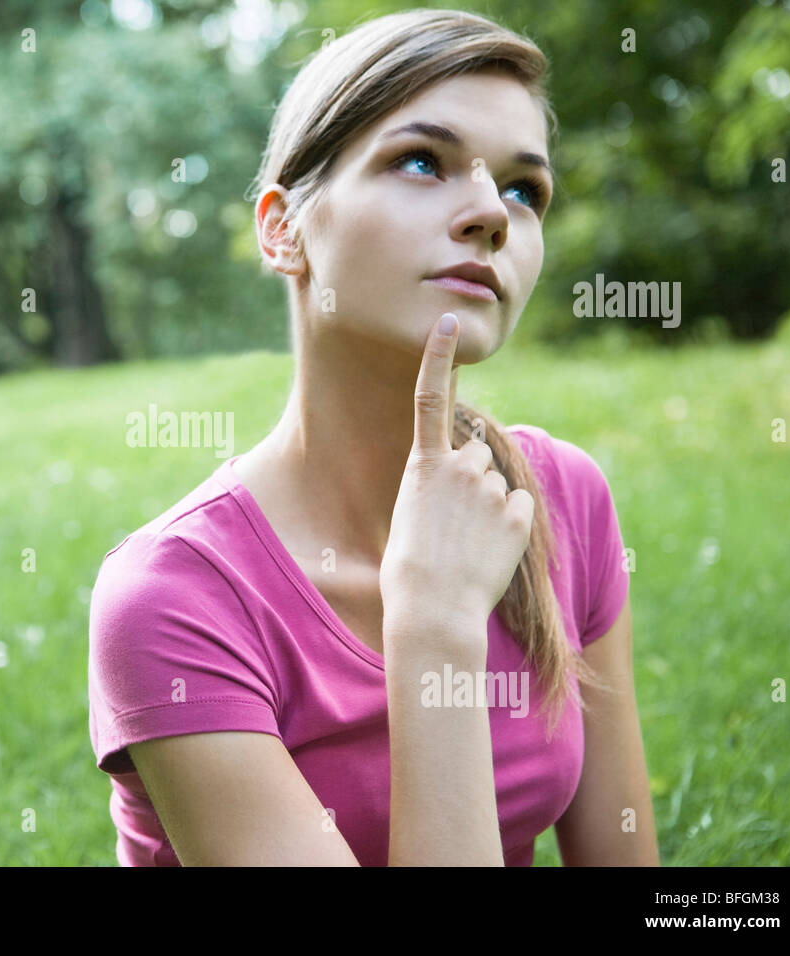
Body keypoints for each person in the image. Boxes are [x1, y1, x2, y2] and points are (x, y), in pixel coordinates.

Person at [87, 8, 659, 866]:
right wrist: (435, 623)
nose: (490, 215)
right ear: (284, 228)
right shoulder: (173, 598)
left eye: (522, 189)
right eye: (421, 161)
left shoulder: (562, 497)